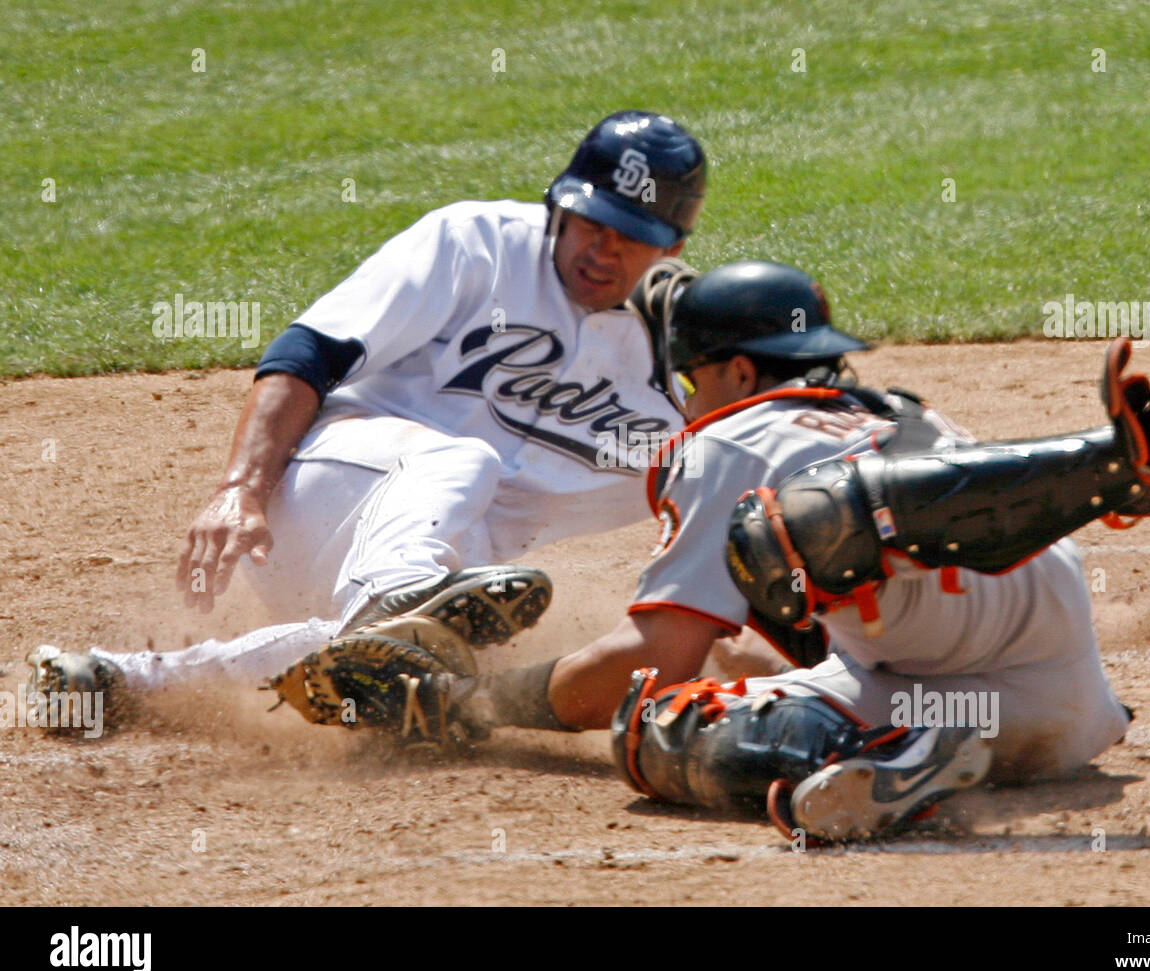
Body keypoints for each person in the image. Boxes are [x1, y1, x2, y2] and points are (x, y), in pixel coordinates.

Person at [283, 259, 1150, 843]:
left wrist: (483, 701)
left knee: (657, 721)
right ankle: (1109, 474)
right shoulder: (903, 412)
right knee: (785, 611)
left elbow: (656, 661)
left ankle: (904, 752)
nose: (683, 398)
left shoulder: (729, 441)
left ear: (737, 372)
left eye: (691, 377)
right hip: (1069, 709)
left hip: (951, 704)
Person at [27, 110, 707, 705]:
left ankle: (126, 681)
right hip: (319, 497)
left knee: (405, 668)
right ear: (558, 203)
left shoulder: (689, 365)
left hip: (454, 576)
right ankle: (399, 596)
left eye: (630, 234)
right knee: (458, 463)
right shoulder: (476, 244)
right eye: (591, 221)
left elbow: (750, 490)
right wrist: (240, 489)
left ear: (673, 246)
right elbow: (310, 350)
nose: (603, 247)